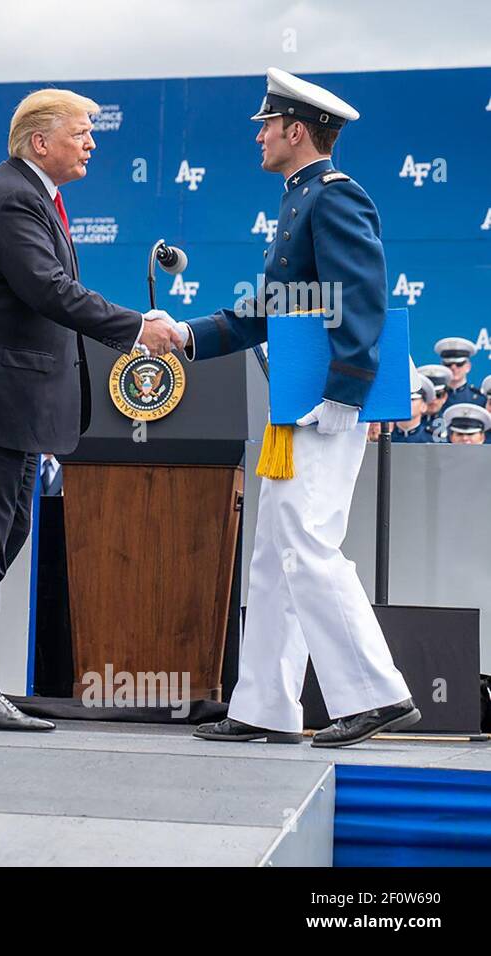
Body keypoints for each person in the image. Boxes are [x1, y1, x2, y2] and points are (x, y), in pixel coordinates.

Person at [0, 87, 181, 732]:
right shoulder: (14, 197)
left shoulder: (31, 194)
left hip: (8, 403)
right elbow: (48, 290)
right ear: (40, 141)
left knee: (0, 537)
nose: (93, 143)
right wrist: (136, 328)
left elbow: (49, 293)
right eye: (82, 132)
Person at [175, 68, 417, 748]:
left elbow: (360, 295)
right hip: (298, 403)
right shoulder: (299, 198)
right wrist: (189, 335)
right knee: (275, 554)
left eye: (266, 124)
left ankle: (378, 693)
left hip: (322, 405)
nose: (257, 133)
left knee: (307, 543)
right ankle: (265, 706)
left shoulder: (334, 198)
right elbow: (273, 310)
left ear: (296, 130)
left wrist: (345, 392)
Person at [433, 337, 485, 409]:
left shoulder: (480, 398)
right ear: (442, 366)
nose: (453, 368)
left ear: (468, 367)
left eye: (459, 364)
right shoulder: (434, 399)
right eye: (448, 364)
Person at [391, 370, 436, 444]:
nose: (407, 403)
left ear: (424, 406)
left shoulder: (431, 439)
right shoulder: (386, 438)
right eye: (402, 399)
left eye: (412, 399)